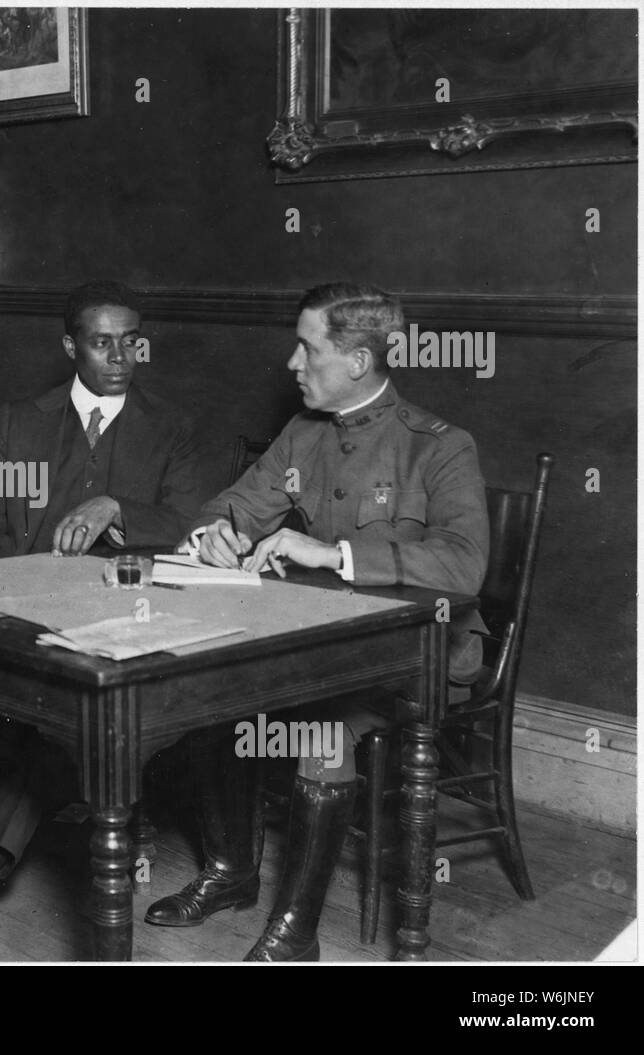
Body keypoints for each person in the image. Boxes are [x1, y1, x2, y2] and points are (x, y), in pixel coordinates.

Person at [148, 282, 489, 960]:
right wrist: (213, 533)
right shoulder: (301, 435)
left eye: (308, 349)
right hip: (313, 648)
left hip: (414, 658)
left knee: (321, 733)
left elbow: (464, 565)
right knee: (209, 693)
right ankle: (231, 870)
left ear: (358, 361)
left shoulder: (440, 446)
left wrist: (331, 552)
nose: (292, 364)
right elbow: (232, 505)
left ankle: (296, 931)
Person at [0, 281, 210, 960]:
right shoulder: (16, 423)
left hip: (125, 633)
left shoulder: (170, 433)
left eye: (132, 340)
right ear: (71, 346)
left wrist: (116, 507)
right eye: (103, 342)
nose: (121, 355)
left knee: (55, 727)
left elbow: (194, 530)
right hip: (19, 622)